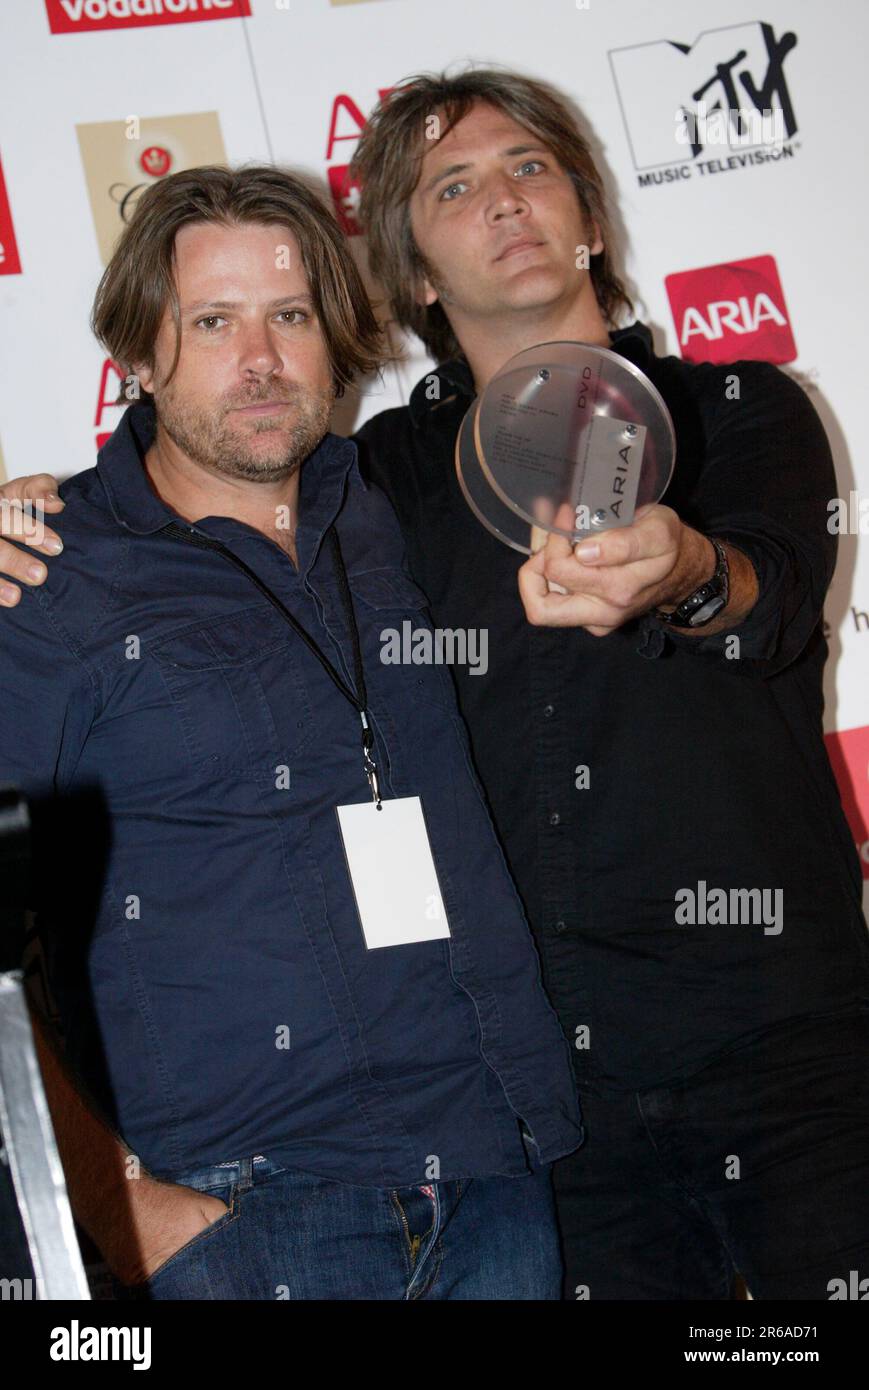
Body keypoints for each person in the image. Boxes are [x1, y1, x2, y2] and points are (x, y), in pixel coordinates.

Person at [3, 67, 869, 1302]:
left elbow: (764, 596)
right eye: (452, 186)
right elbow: (205, 476)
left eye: (527, 168)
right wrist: (38, 512)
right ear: (409, 273)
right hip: (549, 1127)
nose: (504, 203)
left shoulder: (735, 411)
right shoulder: (376, 480)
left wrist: (681, 568)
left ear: (588, 213)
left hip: (776, 1063)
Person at [0, 162, 584, 1302]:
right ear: (137, 355)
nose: (259, 360)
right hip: (250, 1210)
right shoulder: (48, 575)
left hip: (494, 1175)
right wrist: (114, 1194)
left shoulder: (387, 508)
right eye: (212, 322)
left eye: (290, 316)